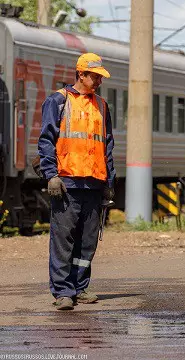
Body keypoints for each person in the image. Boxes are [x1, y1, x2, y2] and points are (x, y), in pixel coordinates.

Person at [38, 53, 116, 311]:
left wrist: (109, 181)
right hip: (67, 182)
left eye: (100, 77)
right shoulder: (58, 101)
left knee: (88, 240)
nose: (98, 81)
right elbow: (46, 141)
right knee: (64, 239)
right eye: (95, 76)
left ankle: (80, 288)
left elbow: (107, 146)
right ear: (81, 74)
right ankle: (63, 291)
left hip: (94, 183)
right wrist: (51, 175)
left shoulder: (102, 106)